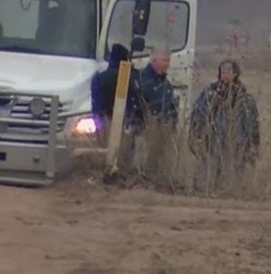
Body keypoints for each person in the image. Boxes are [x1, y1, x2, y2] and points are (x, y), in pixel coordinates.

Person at [188, 60, 260, 193]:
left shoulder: (244, 99)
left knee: (232, 173)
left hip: (236, 142)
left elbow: (253, 123)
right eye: (222, 72)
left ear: (235, 74)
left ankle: (230, 192)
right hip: (212, 139)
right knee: (208, 169)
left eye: (228, 72)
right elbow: (198, 113)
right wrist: (196, 134)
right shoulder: (211, 93)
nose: (225, 75)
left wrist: (253, 145)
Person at [132, 47, 180, 181]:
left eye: (168, 61)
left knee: (163, 162)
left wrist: (173, 124)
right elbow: (136, 107)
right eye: (164, 60)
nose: (167, 64)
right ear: (153, 60)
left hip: (165, 129)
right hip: (146, 130)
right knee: (146, 162)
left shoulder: (166, 84)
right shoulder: (140, 80)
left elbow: (172, 108)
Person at [89, 44, 143, 144]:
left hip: (101, 120)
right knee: (123, 151)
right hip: (123, 120)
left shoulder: (99, 77)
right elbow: (133, 100)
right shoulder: (127, 76)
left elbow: (95, 103)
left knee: (102, 146)